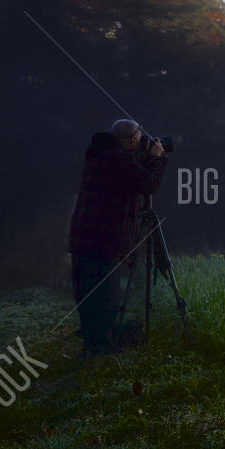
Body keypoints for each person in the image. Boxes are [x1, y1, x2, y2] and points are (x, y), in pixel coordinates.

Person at [67, 118, 169, 358]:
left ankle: (93, 344)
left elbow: (130, 179)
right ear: (133, 139)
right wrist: (156, 158)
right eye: (139, 137)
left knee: (88, 292)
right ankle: (99, 350)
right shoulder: (117, 158)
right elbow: (148, 183)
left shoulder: (100, 155)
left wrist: (145, 158)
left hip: (84, 237)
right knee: (105, 295)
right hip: (103, 239)